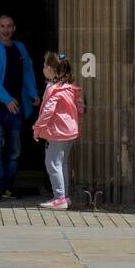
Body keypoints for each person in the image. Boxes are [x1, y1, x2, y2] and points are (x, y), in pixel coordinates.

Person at [0, 15, 39, 202]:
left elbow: (28, 72)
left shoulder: (20, 48)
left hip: (17, 106)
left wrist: (33, 93)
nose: (6, 30)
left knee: (15, 149)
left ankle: (7, 187)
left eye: (9, 26)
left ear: (14, 28)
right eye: (2, 26)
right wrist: (6, 99)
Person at [31, 51, 84, 210]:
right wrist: (75, 122)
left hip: (57, 132)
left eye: (44, 66)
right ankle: (65, 196)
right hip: (70, 131)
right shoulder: (71, 87)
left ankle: (59, 197)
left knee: (52, 163)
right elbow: (80, 107)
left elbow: (48, 110)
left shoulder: (52, 88)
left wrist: (37, 128)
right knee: (62, 163)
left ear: (49, 69)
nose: (43, 69)